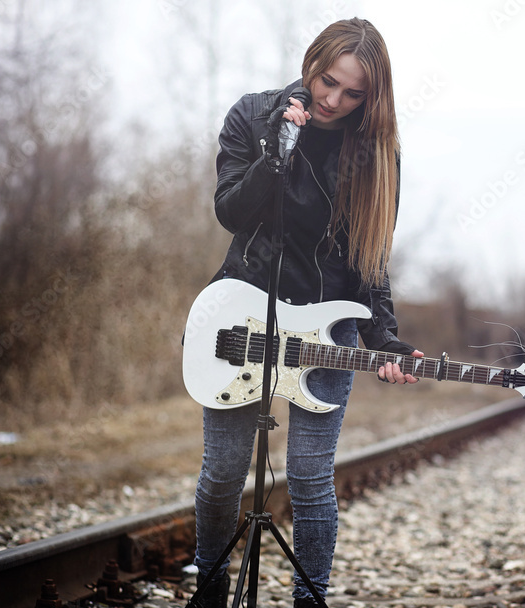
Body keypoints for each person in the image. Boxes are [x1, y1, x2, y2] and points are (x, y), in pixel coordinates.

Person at [192, 18, 422, 608]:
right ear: (311, 61)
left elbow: (370, 258)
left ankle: (309, 597)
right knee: (222, 474)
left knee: (312, 479)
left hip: (327, 326)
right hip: (241, 318)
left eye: (353, 94)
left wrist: (386, 340)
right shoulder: (252, 115)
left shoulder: (376, 151)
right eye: (327, 82)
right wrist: (276, 153)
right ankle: (211, 588)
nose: (333, 101)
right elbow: (231, 212)